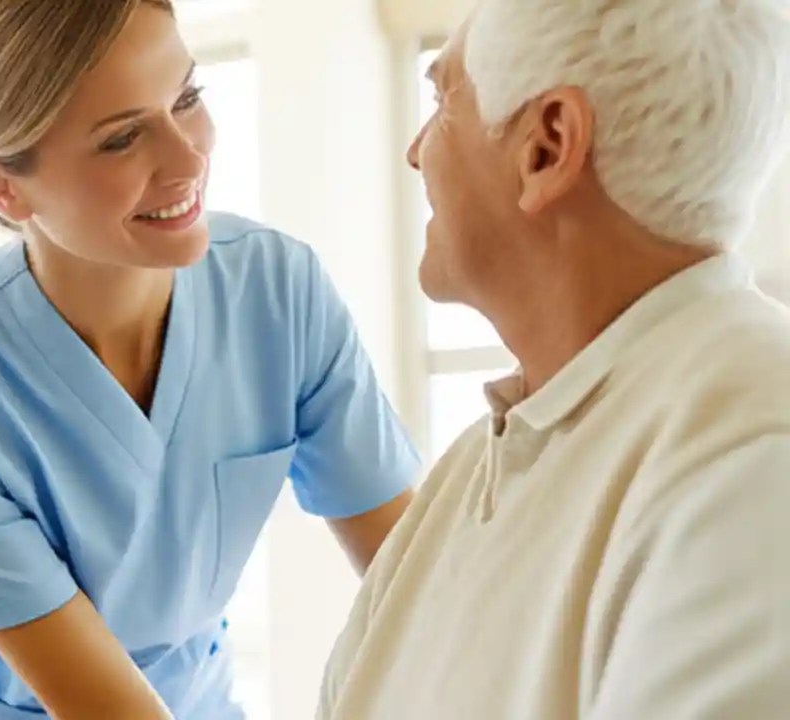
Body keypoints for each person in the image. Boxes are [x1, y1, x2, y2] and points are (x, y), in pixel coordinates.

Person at [0, 1, 419, 718]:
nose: (190, 158)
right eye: (123, 138)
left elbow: (419, 584)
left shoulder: (278, 292)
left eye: (186, 98)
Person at [318, 1, 790, 718]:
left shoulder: (754, 455)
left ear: (547, 146)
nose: (416, 150)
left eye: (445, 100)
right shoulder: (468, 473)